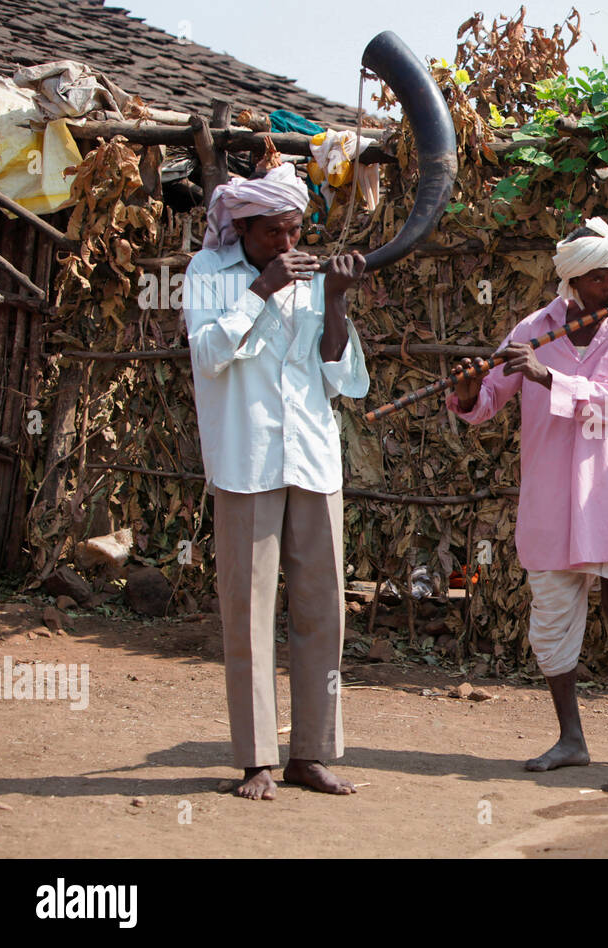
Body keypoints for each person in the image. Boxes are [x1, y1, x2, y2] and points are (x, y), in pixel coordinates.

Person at [447, 217, 608, 773]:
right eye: (599, 280)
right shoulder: (532, 328)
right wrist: (471, 389)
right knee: (550, 620)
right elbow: (490, 399)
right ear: (573, 282)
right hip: (549, 497)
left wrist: (548, 379)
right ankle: (571, 738)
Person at [184, 163, 369, 800]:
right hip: (246, 462)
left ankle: (311, 754)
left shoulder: (314, 279)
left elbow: (347, 379)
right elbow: (208, 356)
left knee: (323, 612)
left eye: (295, 232)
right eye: (274, 235)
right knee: (249, 613)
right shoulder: (209, 274)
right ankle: (256, 758)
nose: (288, 247)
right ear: (242, 228)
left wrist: (337, 299)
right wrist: (259, 289)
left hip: (313, 460)